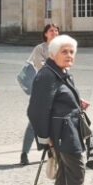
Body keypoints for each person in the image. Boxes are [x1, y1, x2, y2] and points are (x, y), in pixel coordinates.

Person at [28, 34, 93, 185]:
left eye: (72, 52)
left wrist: (76, 102)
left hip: (68, 131)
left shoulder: (62, 72)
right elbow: (36, 110)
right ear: (53, 54)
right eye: (64, 52)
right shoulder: (46, 75)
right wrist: (45, 137)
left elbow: (59, 98)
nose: (69, 55)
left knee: (65, 176)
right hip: (62, 135)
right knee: (77, 174)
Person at [20, 23, 60, 165]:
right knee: (33, 122)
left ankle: (52, 151)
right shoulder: (40, 48)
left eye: (56, 30)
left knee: (55, 120)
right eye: (51, 30)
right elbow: (41, 66)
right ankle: (24, 153)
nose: (54, 32)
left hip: (58, 90)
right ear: (45, 34)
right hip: (41, 90)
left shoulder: (62, 48)